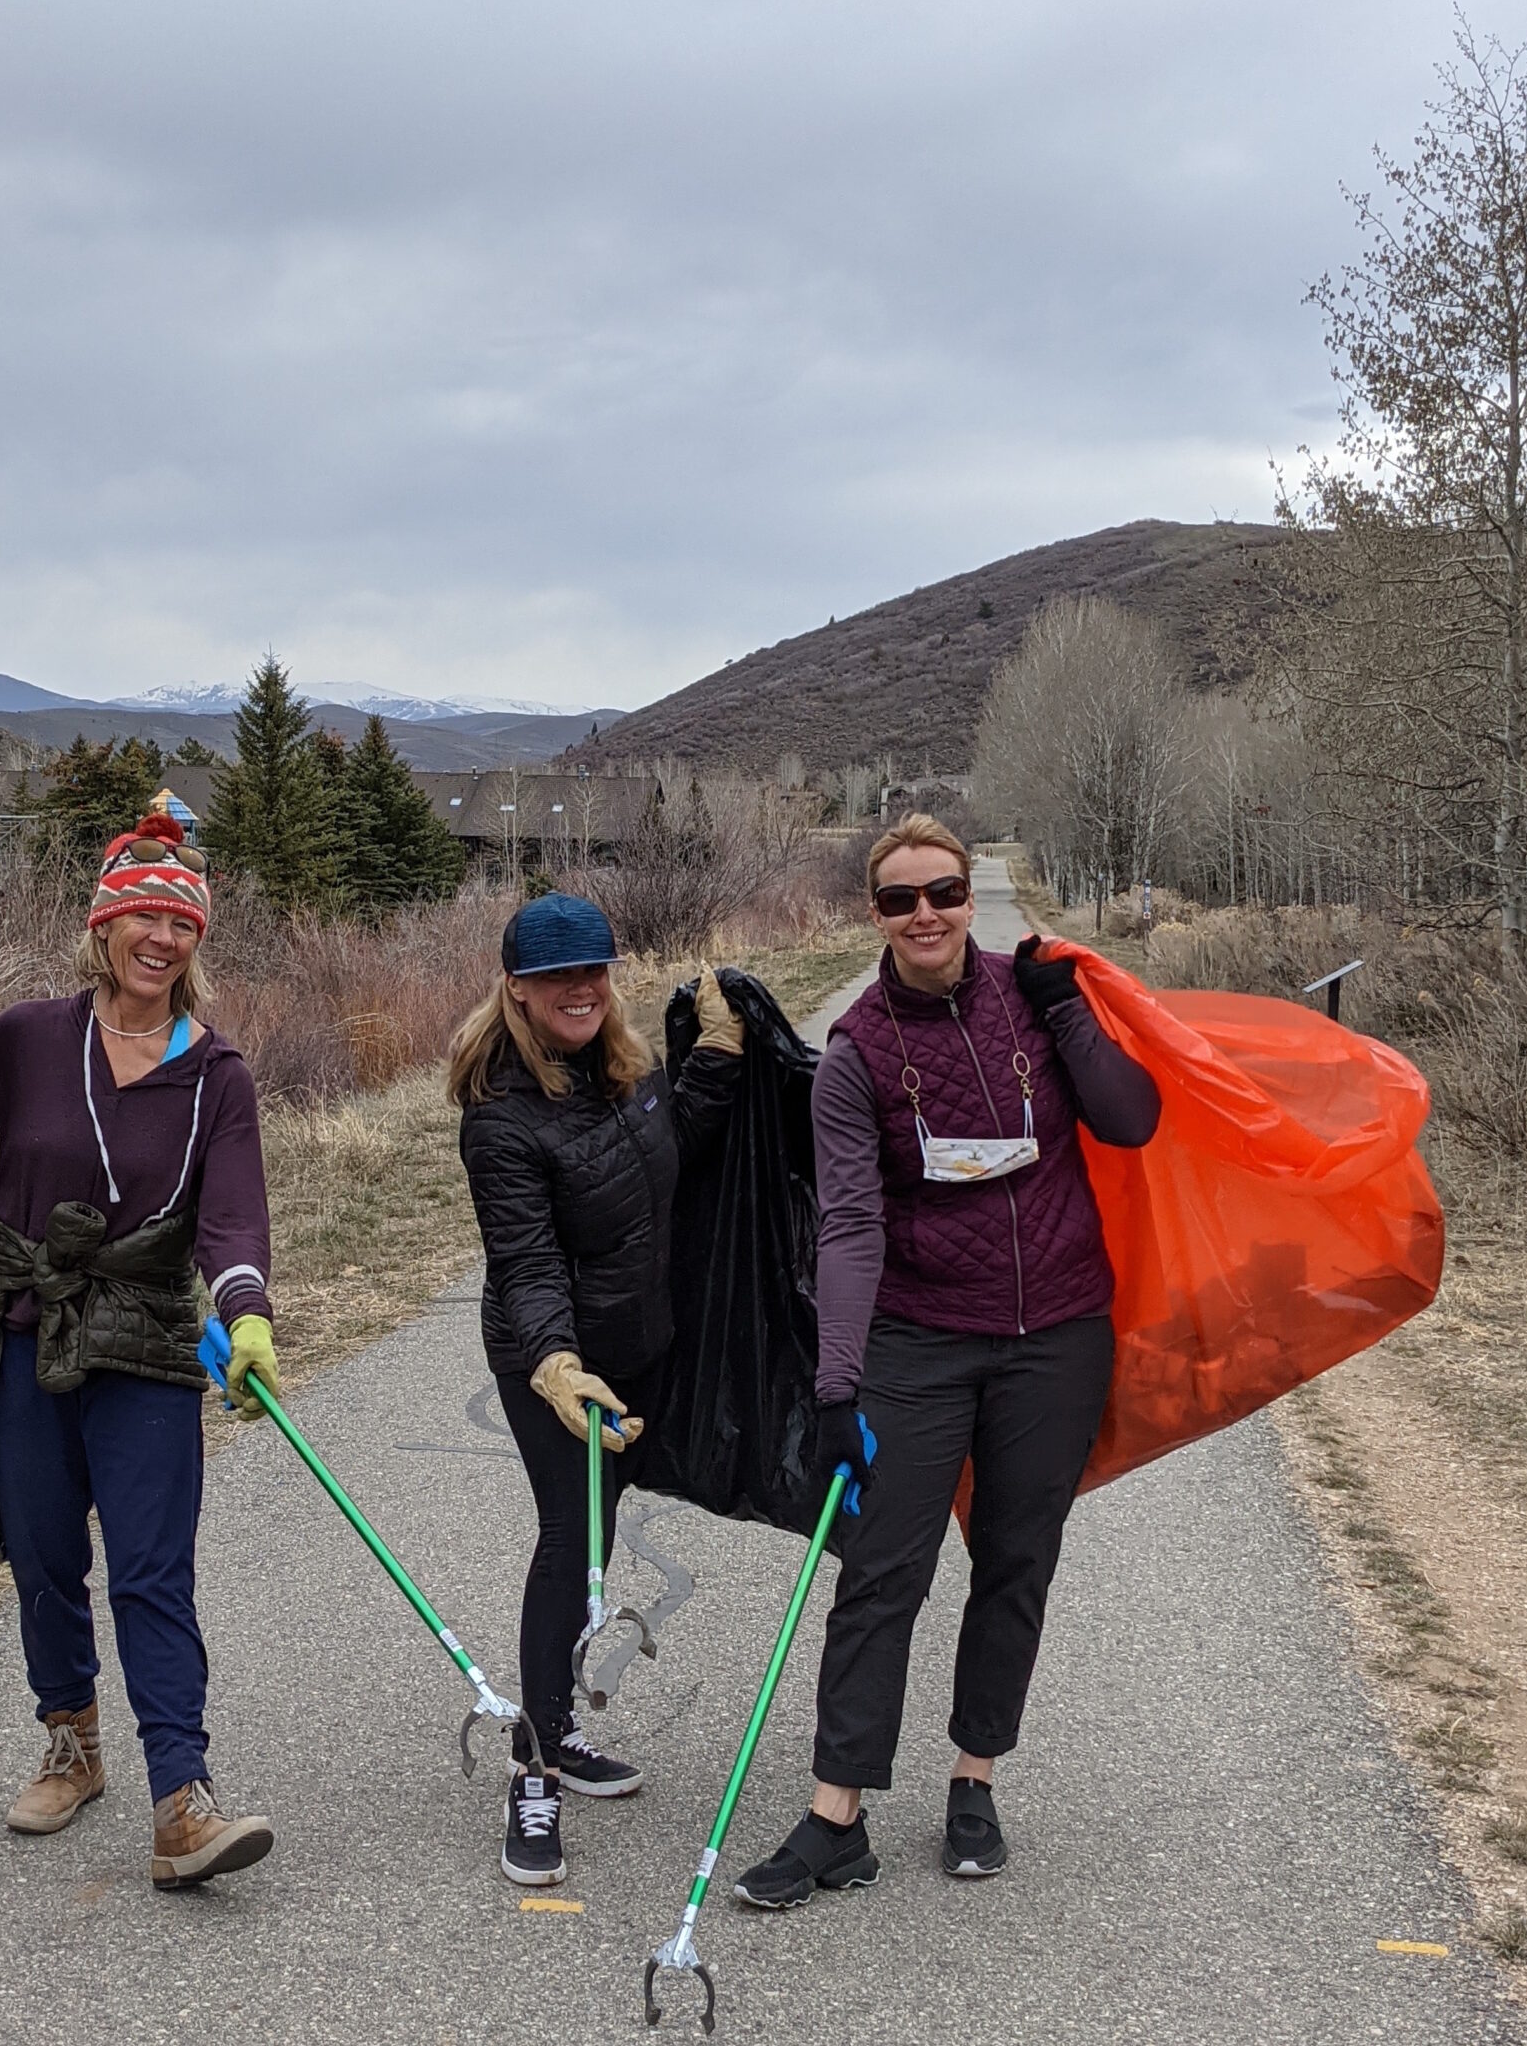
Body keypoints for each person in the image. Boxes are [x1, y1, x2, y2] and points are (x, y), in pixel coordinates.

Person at [735, 814, 1160, 1908]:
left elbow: (1129, 1121)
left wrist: (1070, 1018)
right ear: (871, 914)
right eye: (897, 899)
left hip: (1057, 1335)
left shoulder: (1037, 998)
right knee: (884, 1573)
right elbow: (849, 1229)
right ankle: (839, 1815)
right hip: (919, 1344)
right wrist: (836, 1386)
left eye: (943, 892)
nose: (924, 913)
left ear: (970, 898)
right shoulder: (858, 1054)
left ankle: (975, 1779)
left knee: (1017, 1560)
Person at [0, 800, 278, 1891]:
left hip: (145, 1338)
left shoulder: (218, 1075)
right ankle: (72, 1740)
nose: (159, 938)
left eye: (180, 924)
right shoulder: (26, 1042)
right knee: (48, 1558)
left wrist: (246, 1316)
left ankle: (181, 1799)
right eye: (141, 916)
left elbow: (233, 1220)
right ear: (102, 925)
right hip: (25, 1331)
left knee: (153, 1570)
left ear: (197, 941)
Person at [450, 892, 746, 1888]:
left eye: (594, 971)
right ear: (518, 988)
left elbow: (668, 1153)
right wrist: (553, 1362)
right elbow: (526, 1258)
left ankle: (561, 1728)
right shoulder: (501, 1116)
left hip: (638, 1349)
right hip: (558, 1366)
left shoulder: (624, 1069)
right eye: (555, 977)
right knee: (570, 1543)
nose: (579, 990)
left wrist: (718, 1057)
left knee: (598, 1540)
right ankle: (534, 1767)